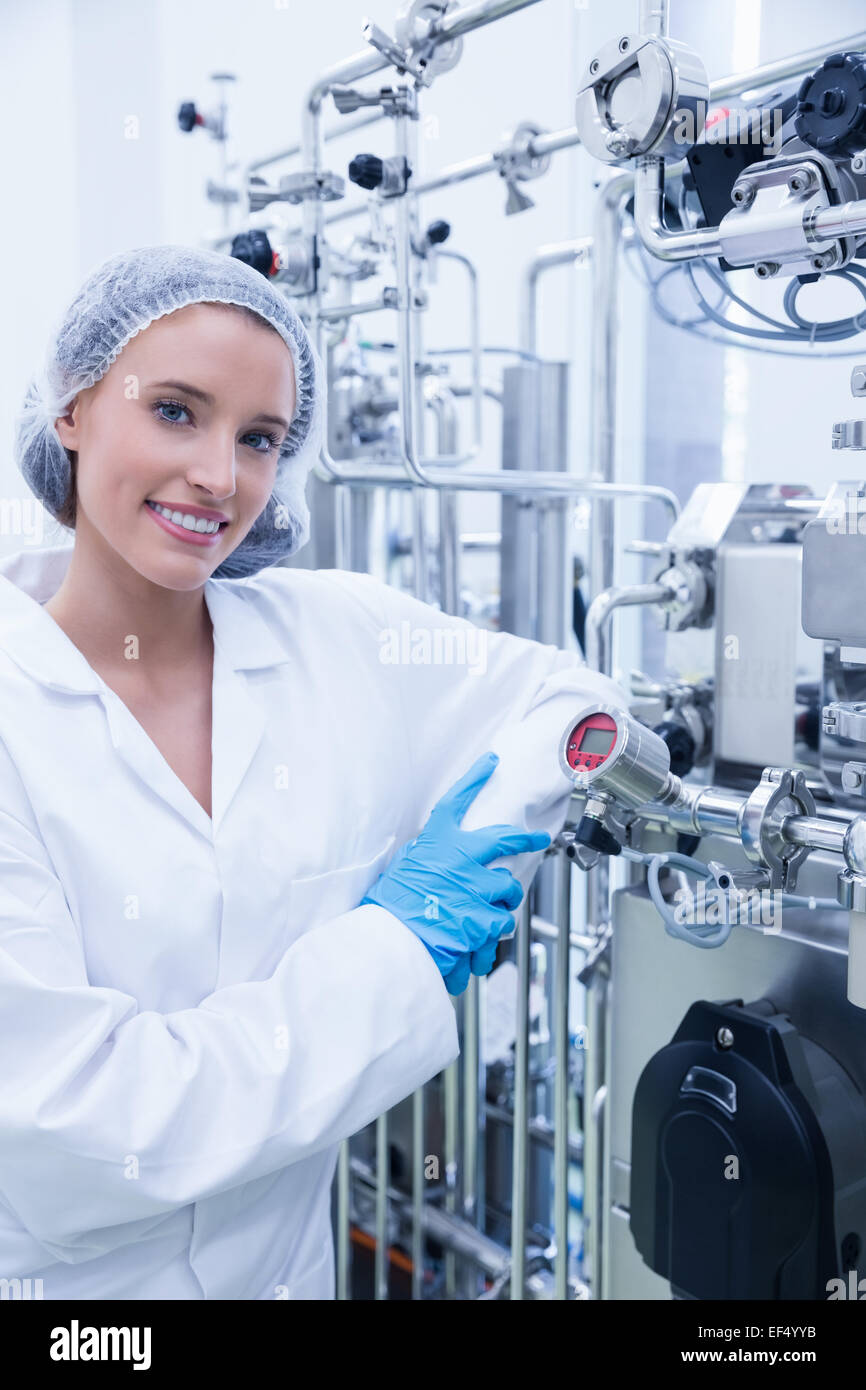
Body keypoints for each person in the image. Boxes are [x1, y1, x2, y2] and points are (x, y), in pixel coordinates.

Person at [0, 244, 628, 1301]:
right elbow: (88, 1127)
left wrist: (482, 847)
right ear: (71, 408)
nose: (218, 474)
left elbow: (574, 705)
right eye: (174, 411)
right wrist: (402, 944)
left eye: (260, 439)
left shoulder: (337, 637)